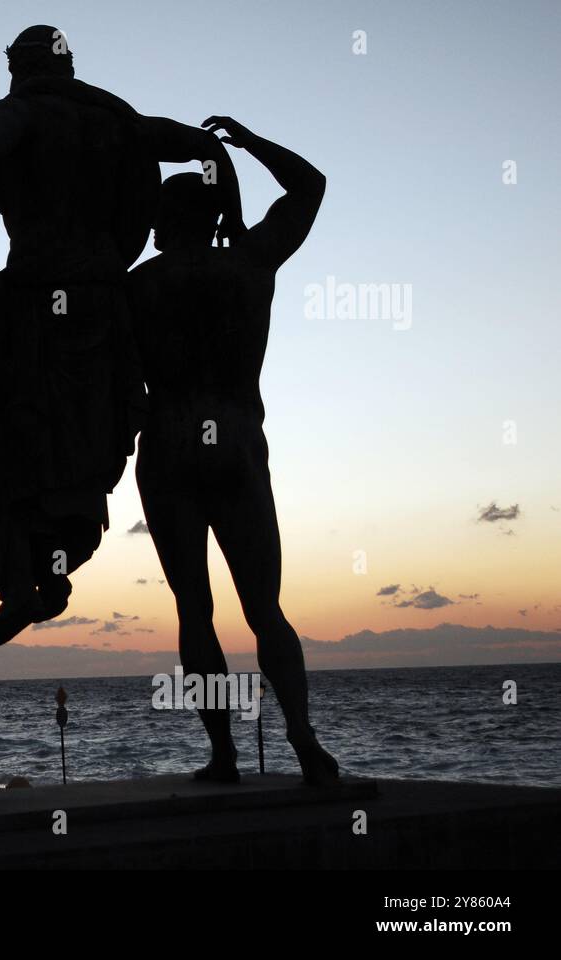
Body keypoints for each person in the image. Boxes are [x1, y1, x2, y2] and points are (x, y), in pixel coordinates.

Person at [0, 25, 243, 649]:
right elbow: (209, 151)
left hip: (37, 300)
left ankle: (23, 587)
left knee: (4, 440)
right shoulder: (124, 121)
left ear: (22, 66)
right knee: (81, 457)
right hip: (105, 303)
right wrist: (234, 224)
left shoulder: (22, 113)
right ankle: (45, 580)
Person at [128, 116, 339, 785]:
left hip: (167, 442)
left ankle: (223, 755)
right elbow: (309, 185)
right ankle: (302, 738)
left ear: (166, 221)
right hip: (237, 438)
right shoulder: (248, 264)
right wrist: (245, 142)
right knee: (264, 607)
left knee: (196, 609)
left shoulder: (138, 286)